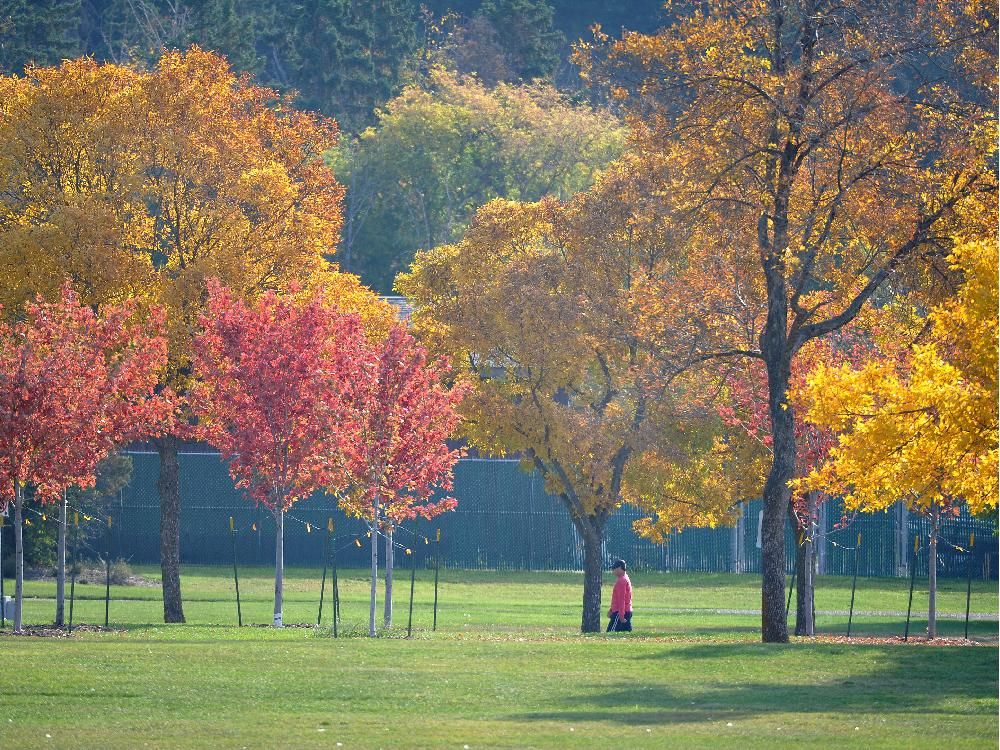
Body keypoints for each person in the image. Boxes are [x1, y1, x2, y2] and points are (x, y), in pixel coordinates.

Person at [607, 559, 632, 632]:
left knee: (610, 633)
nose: (613, 571)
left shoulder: (621, 581)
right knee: (626, 634)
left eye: (614, 568)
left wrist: (621, 616)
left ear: (619, 568)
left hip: (619, 612)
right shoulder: (625, 578)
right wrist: (611, 610)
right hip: (624, 611)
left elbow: (621, 600)